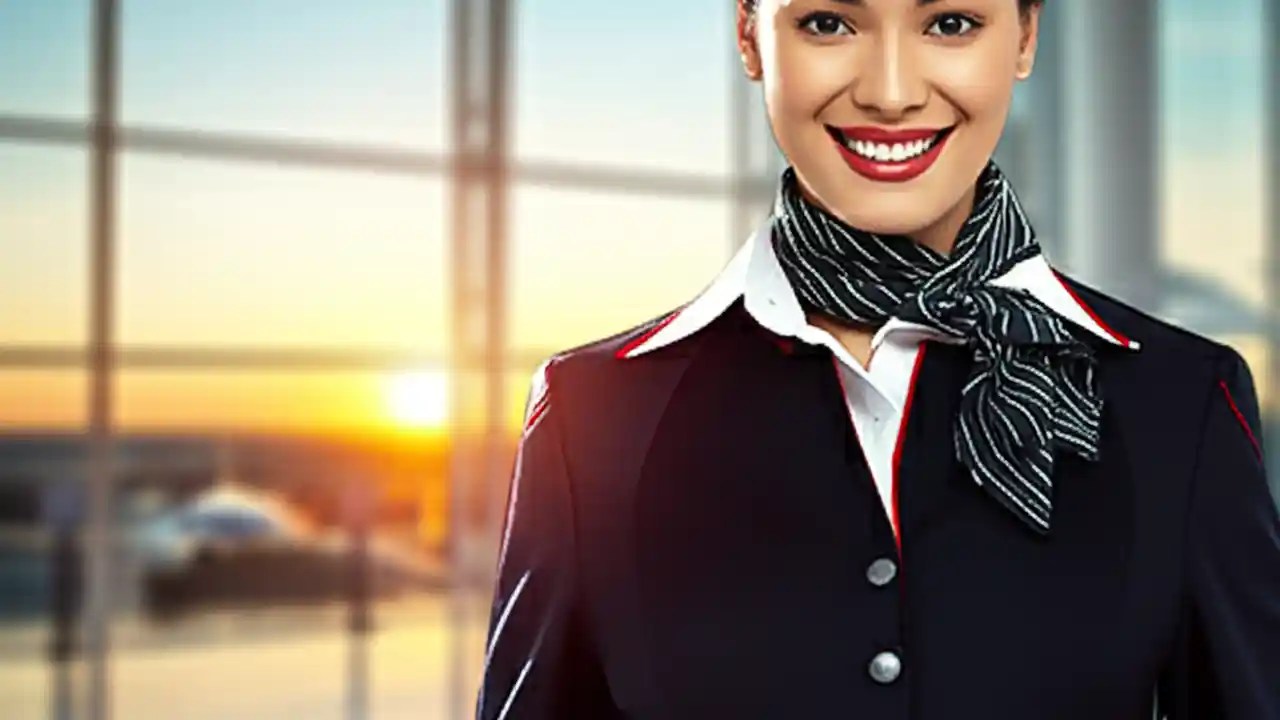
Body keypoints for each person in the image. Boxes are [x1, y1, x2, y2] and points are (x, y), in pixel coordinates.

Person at [474, 0, 1280, 717]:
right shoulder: (593, 416)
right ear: (750, 34)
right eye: (829, 23)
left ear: (1026, 35)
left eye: (951, 24)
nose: (891, 92)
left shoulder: (1182, 404)